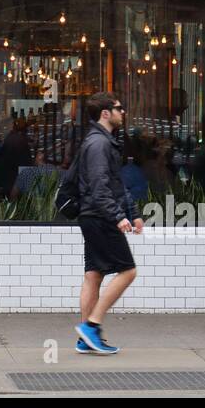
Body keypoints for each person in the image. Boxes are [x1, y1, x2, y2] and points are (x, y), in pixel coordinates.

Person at [74, 93, 143, 355]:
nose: (122, 112)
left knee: (94, 275)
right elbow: (100, 186)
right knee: (128, 271)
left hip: (95, 215)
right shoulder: (99, 144)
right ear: (105, 113)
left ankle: (85, 339)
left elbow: (116, 183)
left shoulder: (102, 142)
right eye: (119, 108)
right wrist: (118, 216)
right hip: (100, 217)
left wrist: (132, 211)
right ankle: (92, 326)